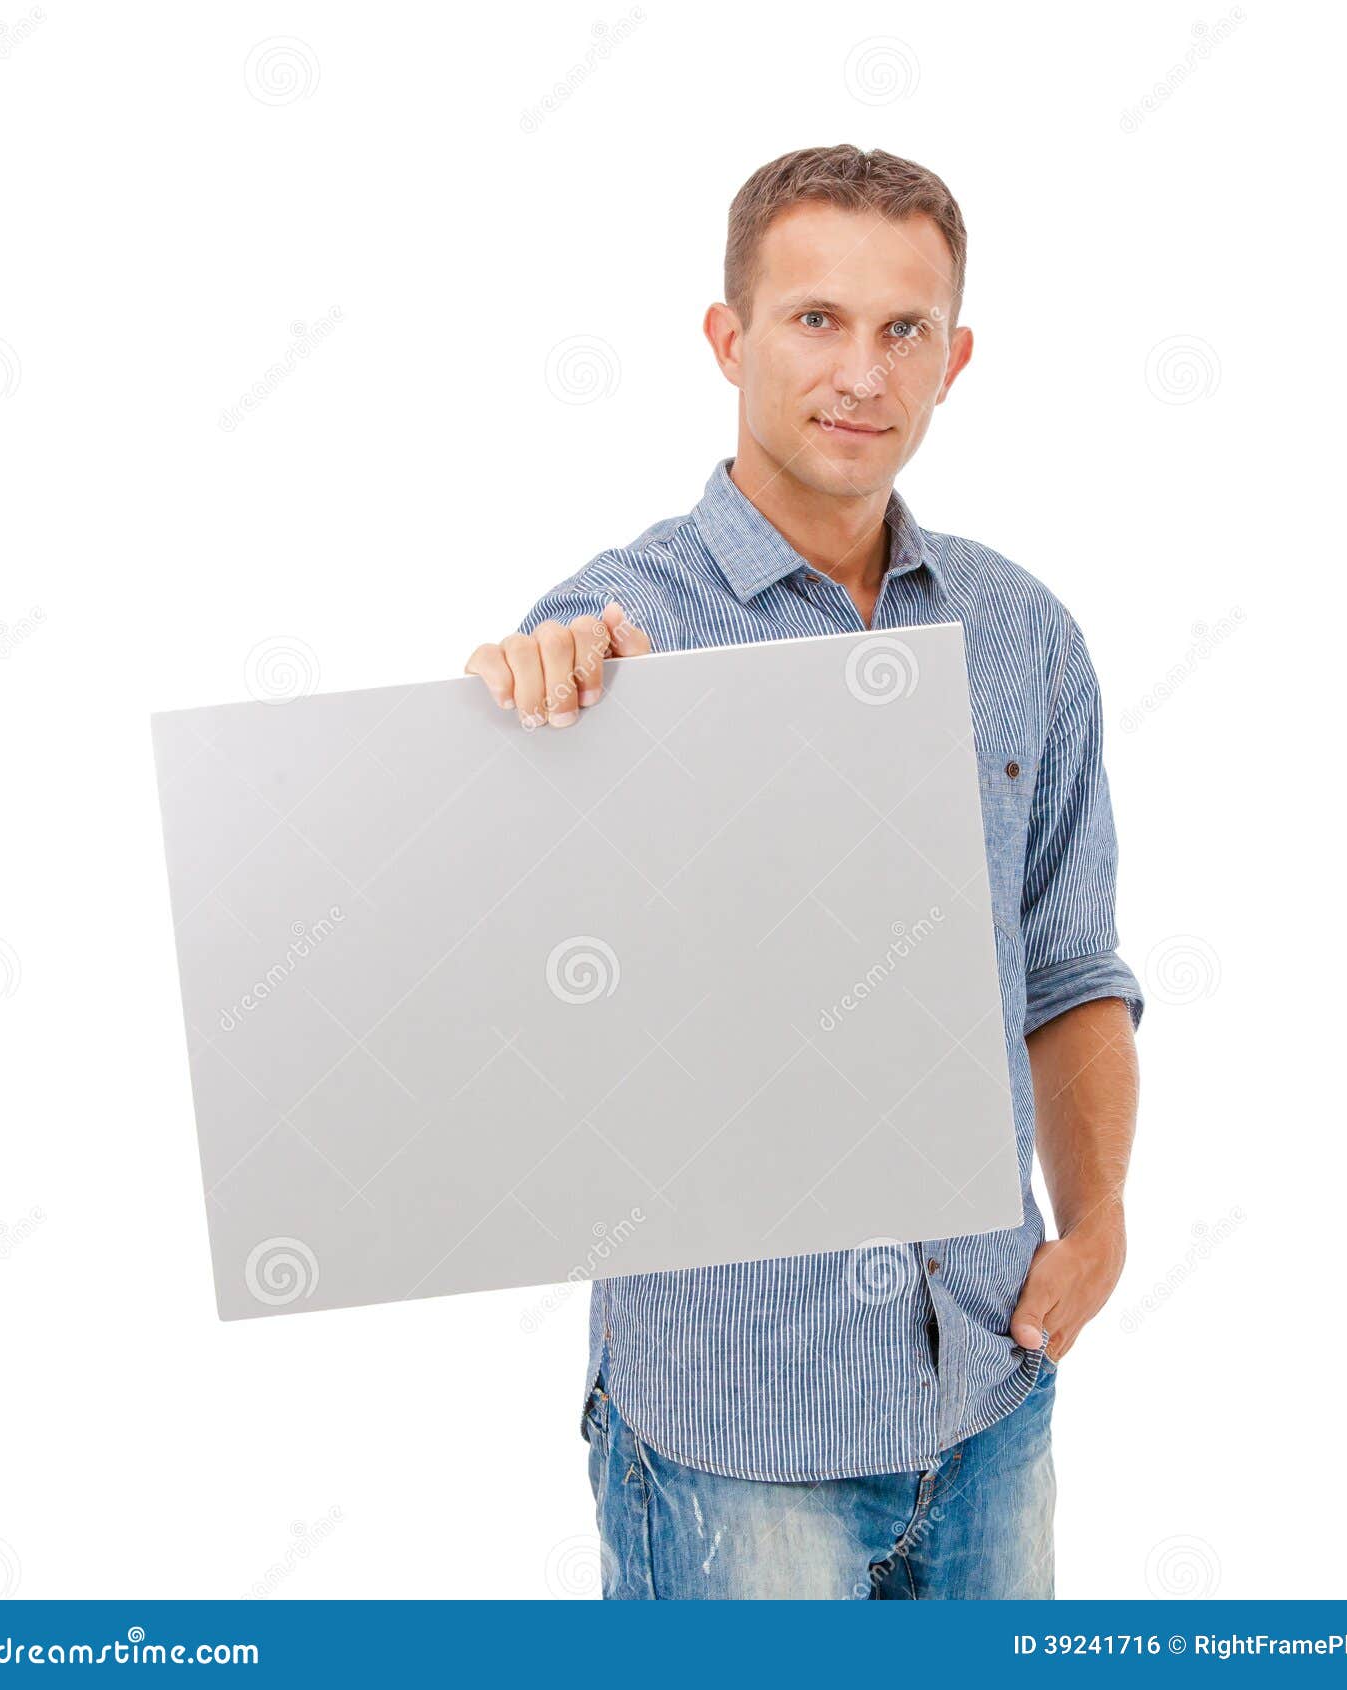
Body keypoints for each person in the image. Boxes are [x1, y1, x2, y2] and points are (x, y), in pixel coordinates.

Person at [464, 144, 1143, 1600]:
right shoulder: (605, 639)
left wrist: (1098, 1223)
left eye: (904, 329)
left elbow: (1070, 967)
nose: (862, 371)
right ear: (729, 339)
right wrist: (521, 737)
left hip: (987, 1403)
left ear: (955, 359)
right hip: (731, 1440)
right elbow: (512, 1025)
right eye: (815, 319)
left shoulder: (1022, 635)